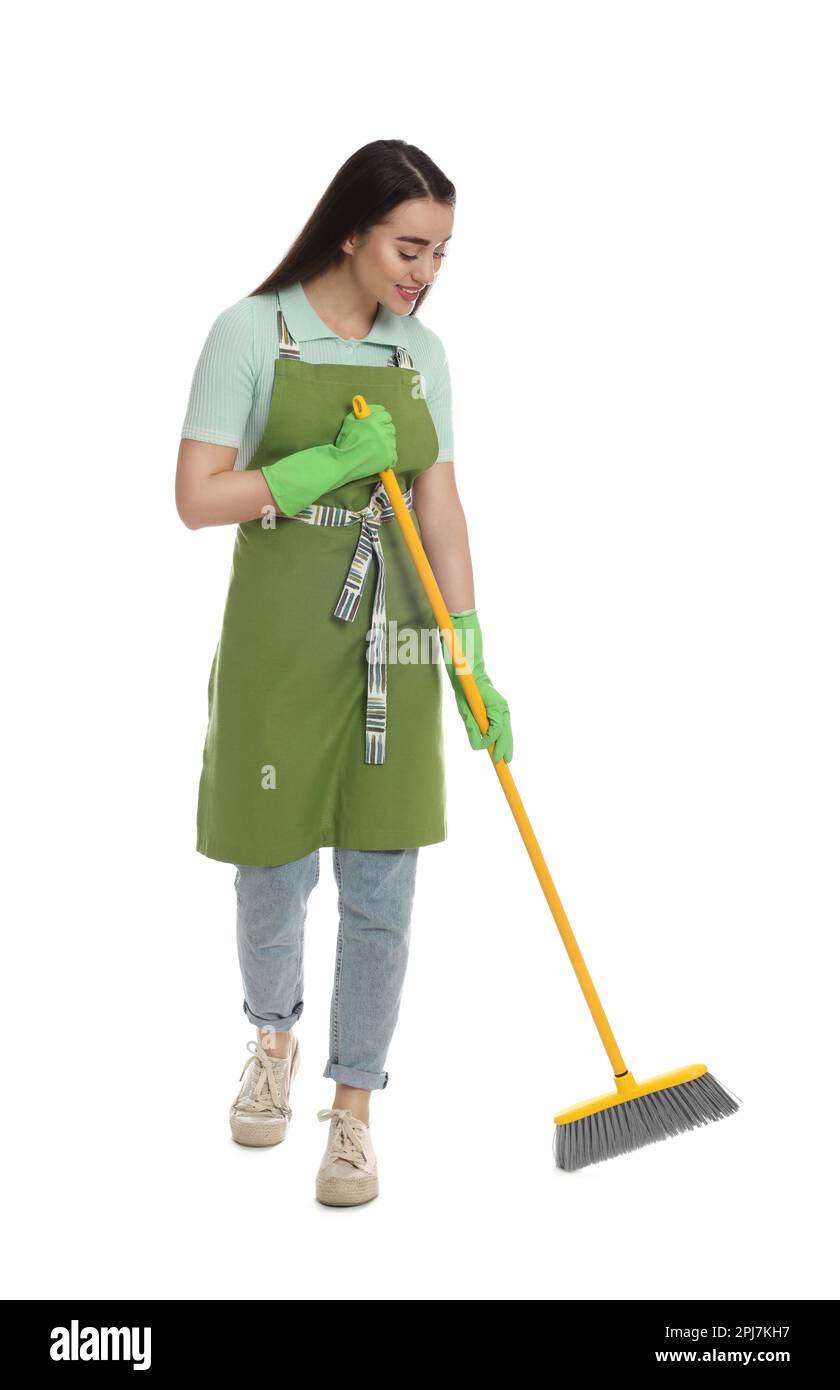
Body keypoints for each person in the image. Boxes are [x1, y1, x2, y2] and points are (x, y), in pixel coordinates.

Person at [175, 139, 514, 1207]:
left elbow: (439, 505)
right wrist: (315, 469)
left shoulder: (424, 355)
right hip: (282, 637)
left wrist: (467, 646)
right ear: (352, 231)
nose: (425, 270)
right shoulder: (251, 331)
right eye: (411, 246)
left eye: (442, 253)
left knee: (382, 882)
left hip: (394, 633)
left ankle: (354, 1107)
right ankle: (272, 1042)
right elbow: (195, 495)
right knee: (272, 874)